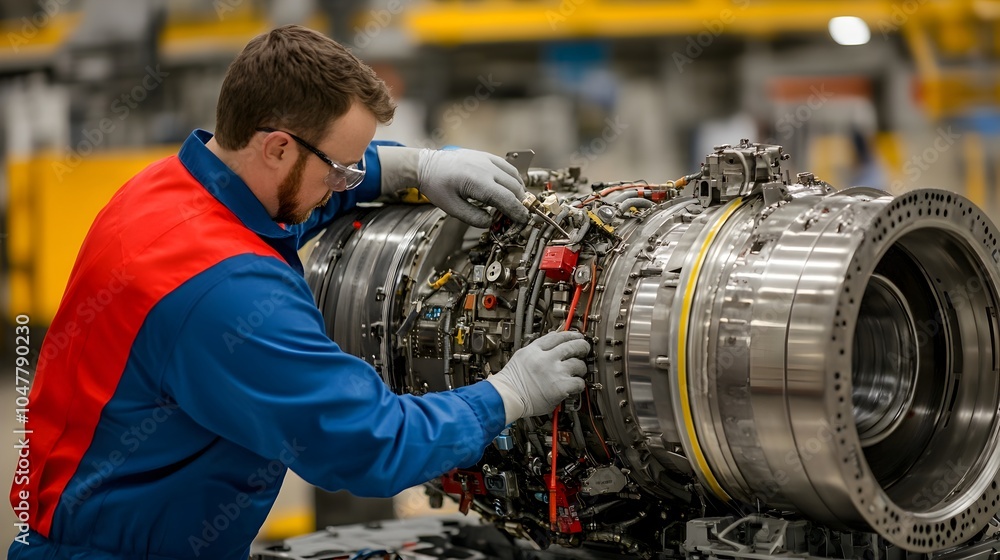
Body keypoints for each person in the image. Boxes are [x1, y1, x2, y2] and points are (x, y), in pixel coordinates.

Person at [9, 25, 590, 560]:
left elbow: (281, 206)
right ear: (278, 147)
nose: (346, 185)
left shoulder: (164, 189)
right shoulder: (227, 293)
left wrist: (414, 167)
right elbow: (369, 442)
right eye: (342, 168)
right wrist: (505, 396)